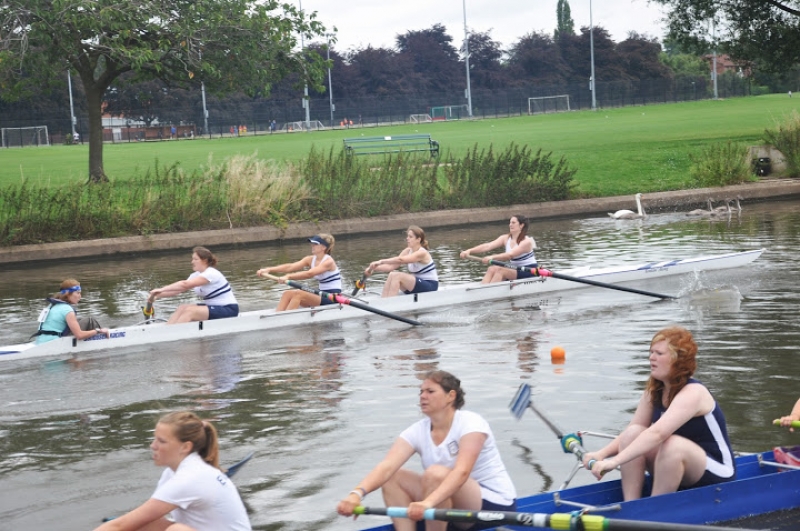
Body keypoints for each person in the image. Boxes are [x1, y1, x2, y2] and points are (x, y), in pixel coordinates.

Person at [336, 370, 517, 531]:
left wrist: (428, 503)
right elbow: (386, 466)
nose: (423, 396)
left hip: (493, 507)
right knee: (393, 478)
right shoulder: (418, 430)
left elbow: (462, 472)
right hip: (446, 504)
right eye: (421, 392)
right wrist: (356, 494)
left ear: (450, 396)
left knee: (435, 474)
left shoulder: (471, 423)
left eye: (430, 391)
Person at [581, 326, 736, 500]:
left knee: (672, 445)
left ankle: (655, 508)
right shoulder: (655, 390)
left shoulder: (693, 392)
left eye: (659, 354)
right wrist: (601, 454)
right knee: (633, 433)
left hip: (717, 472)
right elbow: (633, 431)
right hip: (678, 466)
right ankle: (632, 504)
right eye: (651, 352)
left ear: (679, 360)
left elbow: (657, 434)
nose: (651, 358)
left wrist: (614, 462)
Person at [93, 411, 251, 531]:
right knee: (146, 521)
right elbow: (139, 519)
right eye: (154, 438)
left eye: (161, 441)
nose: (153, 446)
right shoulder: (174, 472)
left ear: (185, 447)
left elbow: (119, 525)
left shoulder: (189, 478)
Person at [149, 247, 239, 324]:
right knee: (182, 308)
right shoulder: (195, 275)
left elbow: (184, 284)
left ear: (204, 261)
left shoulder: (211, 273)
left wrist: (162, 289)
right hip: (213, 308)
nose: (192, 262)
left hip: (228, 309)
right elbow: (177, 290)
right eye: (192, 259)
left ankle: (173, 334)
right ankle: (167, 330)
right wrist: (156, 295)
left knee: (190, 311)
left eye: (195, 259)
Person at [256, 234, 342, 311]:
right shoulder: (310, 259)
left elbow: (309, 273)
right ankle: (277, 315)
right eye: (312, 244)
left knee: (299, 294)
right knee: (287, 293)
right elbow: (290, 267)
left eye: (315, 244)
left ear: (323, 247)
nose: (312, 246)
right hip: (321, 294)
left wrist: (288, 277)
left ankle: (287, 319)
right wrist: (268, 269)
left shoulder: (328, 262)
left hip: (333, 297)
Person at [459, 215, 537, 284]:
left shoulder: (527, 242)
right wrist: (469, 251)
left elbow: (510, 255)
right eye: (510, 222)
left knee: (500, 271)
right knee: (492, 269)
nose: (510, 225)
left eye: (513, 223)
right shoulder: (505, 238)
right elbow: (488, 246)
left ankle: (490, 292)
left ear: (521, 225)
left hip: (529, 270)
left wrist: (492, 257)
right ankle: (483, 289)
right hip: (514, 269)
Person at [366, 226, 439, 298]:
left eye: (410, 237)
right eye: (407, 236)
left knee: (397, 276)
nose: (407, 239)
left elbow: (401, 260)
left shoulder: (422, 253)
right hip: (416, 286)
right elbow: (390, 267)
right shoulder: (407, 251)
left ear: (418, 239)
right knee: (392, 274)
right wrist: (372, 268)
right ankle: (383, 301)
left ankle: (390, 304)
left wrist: (380, 261)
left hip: (430, 286)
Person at [32, 278, 109, 344]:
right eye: (78, 293)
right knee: (90, 321)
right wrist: (98, 331)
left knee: (79, 320)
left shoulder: (51, 305)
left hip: (40, 341)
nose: (80, 296)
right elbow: (79, 335)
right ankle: (103, 338)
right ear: (68, 294)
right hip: (55, 343)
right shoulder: (67, 309)